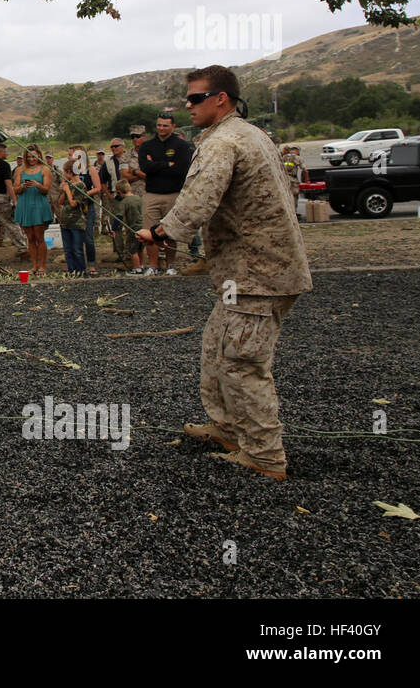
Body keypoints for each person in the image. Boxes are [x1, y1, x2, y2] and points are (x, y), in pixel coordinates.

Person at [138, 65, 311, 481]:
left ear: (222, 99)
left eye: (196, 98)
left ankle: (265, 455)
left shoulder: (226, 141)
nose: (188, 106)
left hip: (258, 275)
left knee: (242, 363)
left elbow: (197, 201)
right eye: (187, 99)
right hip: (239, 276)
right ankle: (229, 429)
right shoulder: (247, 134)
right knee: (217, 347)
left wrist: (160, 233)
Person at [139, 114, 193, 275]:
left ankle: (170, 266)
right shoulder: (147, 146)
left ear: (173, 126)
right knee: (150, 233)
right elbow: (145, 167)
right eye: (159, 125)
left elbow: (181, 169)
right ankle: (154, 266)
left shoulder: (182, 145)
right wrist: (166, 165)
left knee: (170, 231)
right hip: (151, 194)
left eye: (165, 125)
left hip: (173, 194)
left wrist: (156, 166)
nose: (161, 128)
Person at [13, 145, 53, 275]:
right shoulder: (20, 170)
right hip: (25, 204)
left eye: (34, 156)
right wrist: (23, 186)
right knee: (30, 237)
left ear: (39, 156)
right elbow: (15, 189)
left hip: (39, 204)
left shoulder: (45, 169)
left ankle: (42, 266)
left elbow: (46, 190)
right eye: (29, 156)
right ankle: (34, 266)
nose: (31, 159)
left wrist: (37, 184)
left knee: (39, 236)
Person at [69, 144, 103, 276]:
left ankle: (92, 264)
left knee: (88, 238)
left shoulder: (90, 169)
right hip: (74, 208)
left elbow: (98, 187)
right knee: (75, 238)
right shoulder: (70, 170)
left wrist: (84, 194)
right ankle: (78, 266)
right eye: (70, 154)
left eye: (73, 154)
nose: (71, 157)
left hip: (87, 208)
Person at [55, 159, 90, 276]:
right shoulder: (68, 185)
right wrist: (63, 190)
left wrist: (67, 190)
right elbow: (60, 202)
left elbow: (74, 203)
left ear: (69, 172)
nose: (63, 174)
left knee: (77, 249)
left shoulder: (81, 185)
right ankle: (71, 270)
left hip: (77, 222)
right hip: (65, 222)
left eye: (65, 172)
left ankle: (81, 270)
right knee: (68, 249)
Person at [100, 138, 128, 266]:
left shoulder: (130, 158)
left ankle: (131, 252)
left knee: (131, 224)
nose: (114, 149)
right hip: (115, 198)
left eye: (116, 146)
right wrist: (109, 195)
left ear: (123, 146)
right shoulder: (108, 163)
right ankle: (118, 252)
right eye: (112, 147)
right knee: (116, 225)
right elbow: (102, 181)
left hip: (130, 196)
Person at [116, 181, 144, 273]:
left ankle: (137, 268)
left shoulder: (124, 202)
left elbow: (119, 216)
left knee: (133, 250)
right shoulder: (138, 198)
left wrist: (113, 228)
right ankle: (141, 265)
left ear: (119, 192)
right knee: (140, 249)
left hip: (133, 229)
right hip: (143, 228)